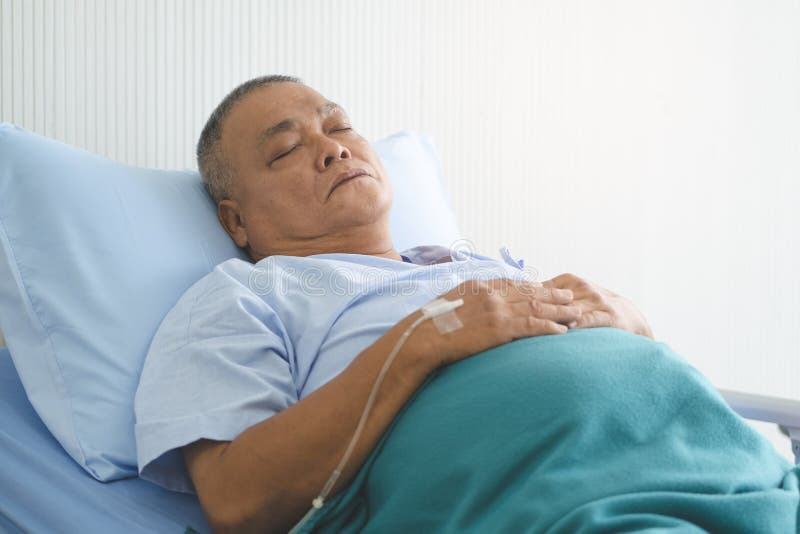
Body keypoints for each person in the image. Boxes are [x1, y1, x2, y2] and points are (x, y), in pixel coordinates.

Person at [134, 75, 654, 533]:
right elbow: (237, 501)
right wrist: (423, 340)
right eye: (286, 149)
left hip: (667, 448)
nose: (333, 150)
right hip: (543, 497)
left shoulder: (468, 267)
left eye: (339, 127)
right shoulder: (240, 297)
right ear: (236, 222)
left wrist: (632, 326)